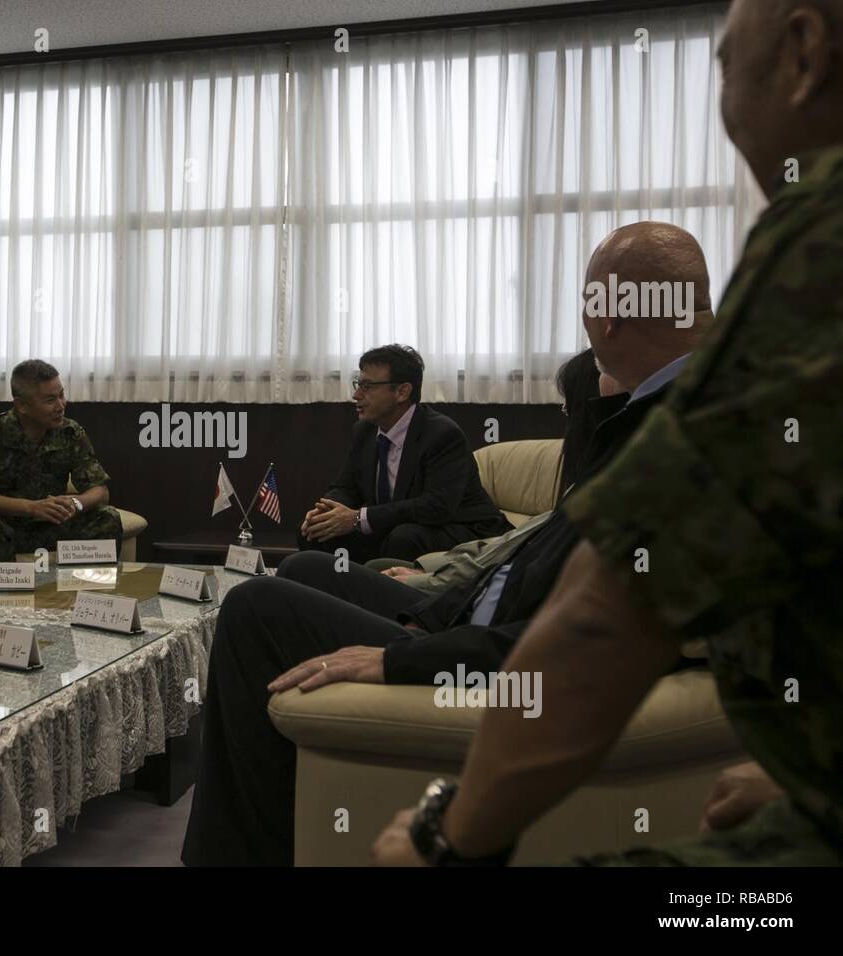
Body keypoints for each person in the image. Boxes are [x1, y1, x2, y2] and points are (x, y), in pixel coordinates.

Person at [370, 0, 843, 867]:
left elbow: (608, 613)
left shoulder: (820, 244)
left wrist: (449, 835)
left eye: (723, 56)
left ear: (804, 50)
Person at [181, 222, 713, 866]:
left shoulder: (687, 445)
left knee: (254, 607)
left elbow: (591, 638)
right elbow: (559, 539)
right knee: (310, 566)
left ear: (607, 319)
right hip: (465, 610)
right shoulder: (661, 415)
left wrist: (404, 658)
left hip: (484, 647)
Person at [370, 350, 622, 596]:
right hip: (472, 575)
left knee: (374, 569)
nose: (357, 394)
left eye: (569, 410)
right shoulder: (584, 486)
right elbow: (514, 541)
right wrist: (432, 568)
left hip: (479, 600)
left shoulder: (605, 495)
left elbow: (519, 560)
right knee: (371, 564)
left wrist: (432, 579)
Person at [298, 345, 511, 563]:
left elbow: (435, 507)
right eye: (358, 384)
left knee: (404, 538)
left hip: (461, 528)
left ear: (402, 392)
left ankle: (384, 595)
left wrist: (357, 518)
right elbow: (346, 487)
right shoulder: (364, 431)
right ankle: (335, 595)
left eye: (367, 386)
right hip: (396, 525)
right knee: (315, 533)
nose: (356, 395)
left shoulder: (442, 435)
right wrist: (325, 511)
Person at [0, 359, 123, 562]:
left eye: (62, 395)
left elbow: (101, 491)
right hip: (6, 526)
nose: (61, 406)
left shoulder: (70, 432)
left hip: (53, 526)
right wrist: (32, 507)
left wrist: (75, 503)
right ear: (22, 405)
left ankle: (85, 590)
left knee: (107, 517)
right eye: (50, 400)